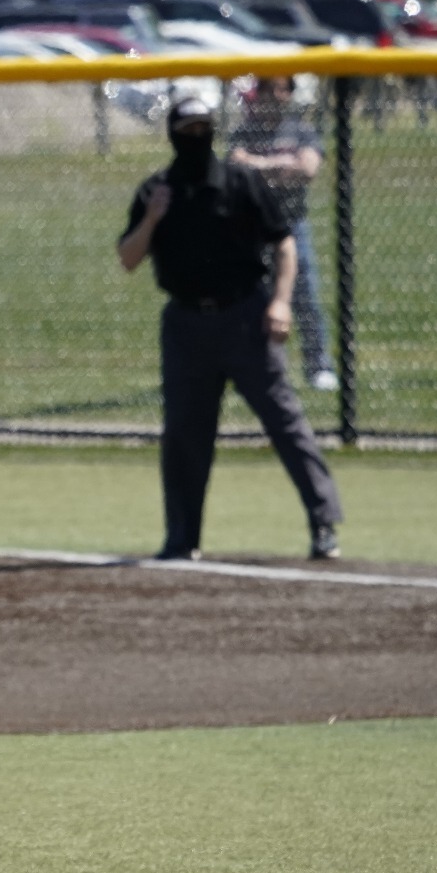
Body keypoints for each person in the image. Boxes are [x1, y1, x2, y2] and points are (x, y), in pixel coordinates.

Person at [117, 98, 343, 561]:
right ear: (173, 134)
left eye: (203, 127)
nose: (196, 137)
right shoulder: (157, 190)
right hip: (185, 326)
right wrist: (153, 217)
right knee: (184, 434)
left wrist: (280, 302)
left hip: (245, 317)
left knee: (284, 421)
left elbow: (283, 243)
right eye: (187, 129)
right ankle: (182, 538)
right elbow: (128, 258)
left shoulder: (240, 182)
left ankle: (324, 522)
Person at [229, 76, 336, 390]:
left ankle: (319, 367)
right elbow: (236, 168)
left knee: (305, 297)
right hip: (254, 229)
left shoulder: (302, 131)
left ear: (290, 94)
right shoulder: (244, 132)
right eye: (269, 89)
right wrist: (281, 164)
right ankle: (266, 366)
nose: (276, 95)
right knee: (257, 298)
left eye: (283, 89)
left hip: (292, 225)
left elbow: (308, 169)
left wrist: (259, 166)